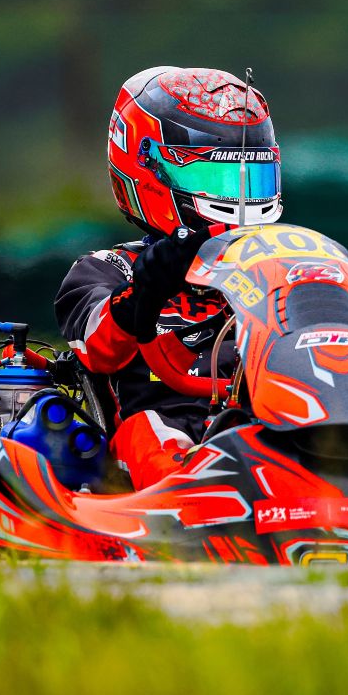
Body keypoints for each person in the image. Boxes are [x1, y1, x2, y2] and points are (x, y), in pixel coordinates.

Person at [55, 66, 282, 490]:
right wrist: (147, 288)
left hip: (276, 423)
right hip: (167, 439)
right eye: (218, 179)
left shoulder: (283, 264)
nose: (241, 197)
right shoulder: (107, 269)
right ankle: (198, 498)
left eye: (253, 179)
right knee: (151, 431)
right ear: (149, 170)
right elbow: (98, 348)